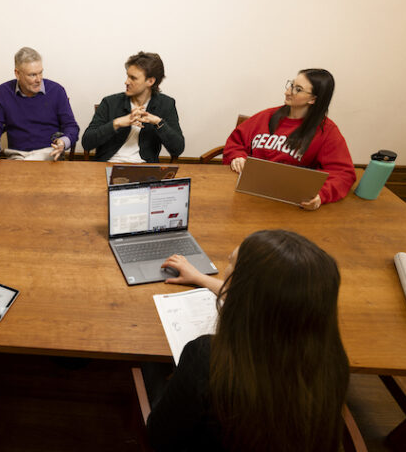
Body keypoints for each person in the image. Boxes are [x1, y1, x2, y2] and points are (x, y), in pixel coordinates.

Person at [147, 230, 349, 452]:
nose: (226, 274)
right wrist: (201, 278)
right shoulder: (333, 363)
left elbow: (158, 437)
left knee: (150, 361)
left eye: (232, 265)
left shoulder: (208, 358)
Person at [223, 68, 356, 210]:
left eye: (298, 89)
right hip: (247, 193)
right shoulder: (266, 116)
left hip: (288, 204)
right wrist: (237, 157)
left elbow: (344, 174)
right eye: (291, 85)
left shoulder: (327, 131)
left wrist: (321, 195)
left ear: (313, 99)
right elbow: (236, 142)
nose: (287, 92)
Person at [81, 52, 184, 163]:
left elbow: (177, 149)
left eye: (133, 78)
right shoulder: (110, 102)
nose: (126, 82)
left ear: (150, 81)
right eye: (127, 76)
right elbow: (87, 142)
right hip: (108, 165)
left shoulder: (166, 104)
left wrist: (158, 122)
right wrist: (117, 123)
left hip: (145, 169)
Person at [0, 47, 80, 161]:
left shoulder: (57, 91)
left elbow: (71, 127)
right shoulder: (3, 92)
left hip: (50, 155)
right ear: (17, 74)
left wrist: (63, 142)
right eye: (32, 75)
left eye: (40, 73)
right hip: (17, 155)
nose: (39, 79)